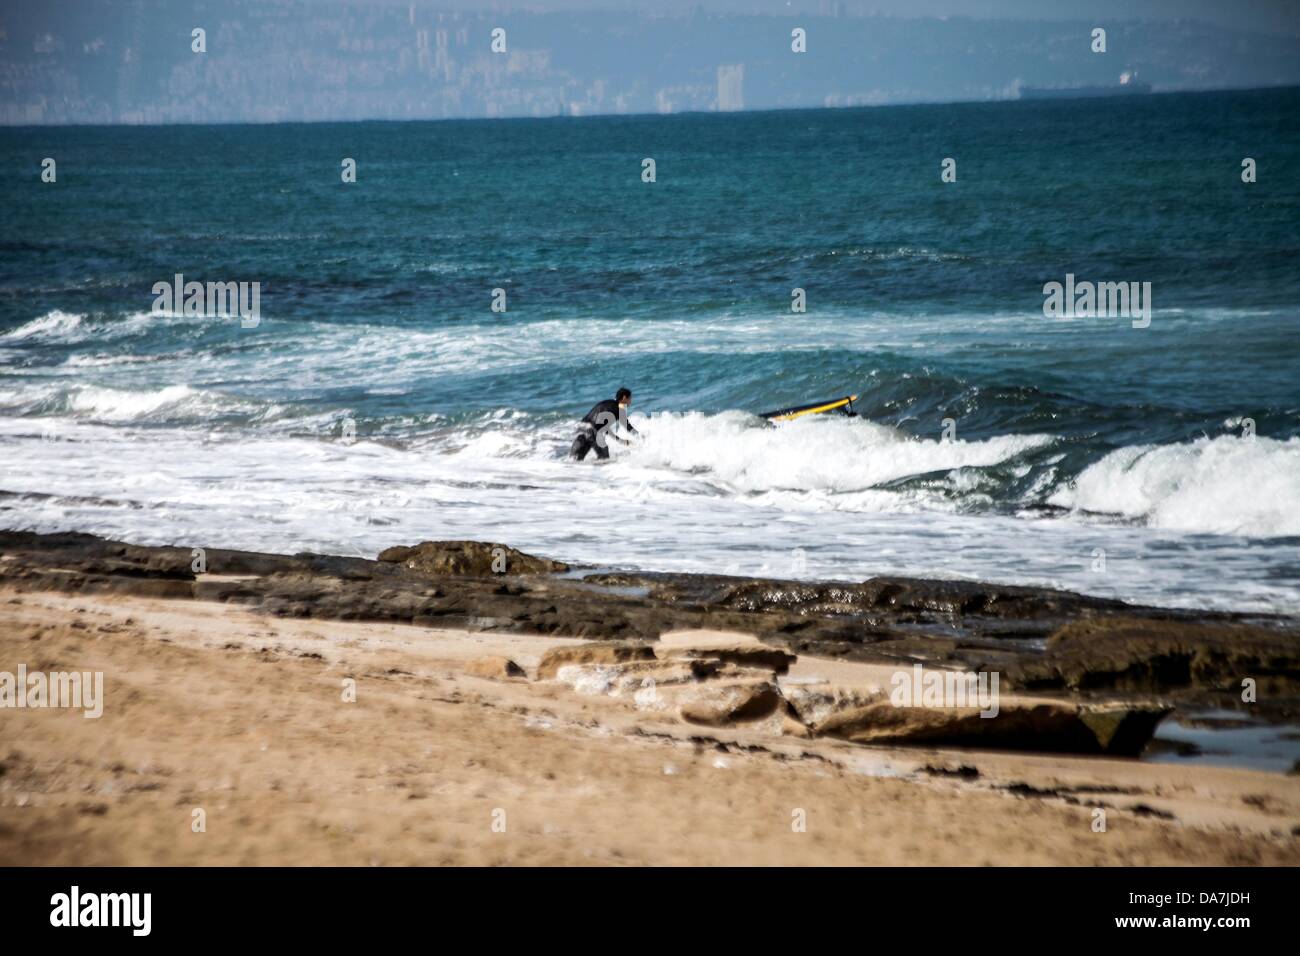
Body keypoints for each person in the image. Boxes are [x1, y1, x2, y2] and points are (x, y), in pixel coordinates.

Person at [569, 387, 638, 461]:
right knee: (604, 457)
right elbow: (629, 427)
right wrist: (642, 438)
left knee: (576, 459)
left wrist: (620, 440)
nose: (630, 401)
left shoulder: (606, 403)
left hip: (582, 427)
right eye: (630, 398)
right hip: (591, 430)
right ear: (624, 398)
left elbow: (603, 428)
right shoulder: (619, 409)